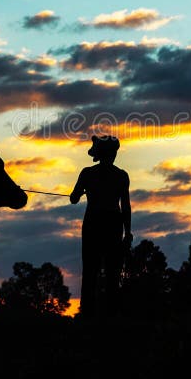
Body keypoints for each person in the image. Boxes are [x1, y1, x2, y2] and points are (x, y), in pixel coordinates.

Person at [70, 134, 132, 318]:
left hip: (93, 224)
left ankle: (87, 316)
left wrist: (80, 192)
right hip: (114, 224)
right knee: (113, 275)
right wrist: (128, 232)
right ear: (113, 154)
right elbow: (125, 206)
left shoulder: (87, 173)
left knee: (90, 272)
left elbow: (73, 198)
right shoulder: (121, 176)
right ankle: (111, 316)